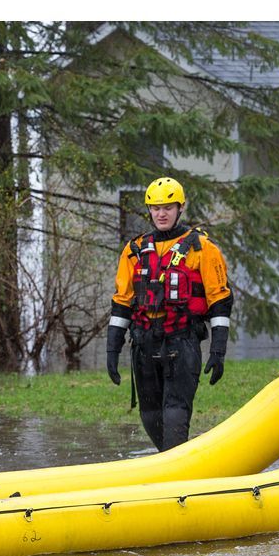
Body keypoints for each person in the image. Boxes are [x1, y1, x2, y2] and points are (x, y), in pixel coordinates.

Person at [105, 176, 233, 451]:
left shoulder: (202, 248)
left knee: (175, 411)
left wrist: (218, 351)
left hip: (182, 342)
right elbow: (122, 303)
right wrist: (112, 351)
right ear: (149, 210)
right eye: (156, 208)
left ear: (180, 208)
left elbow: (220, 302)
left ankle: (176, 473)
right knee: (150, 416)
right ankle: (173, 472)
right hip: (144, 344)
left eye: (168, 207)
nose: (161, 214)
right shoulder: (134, 250)